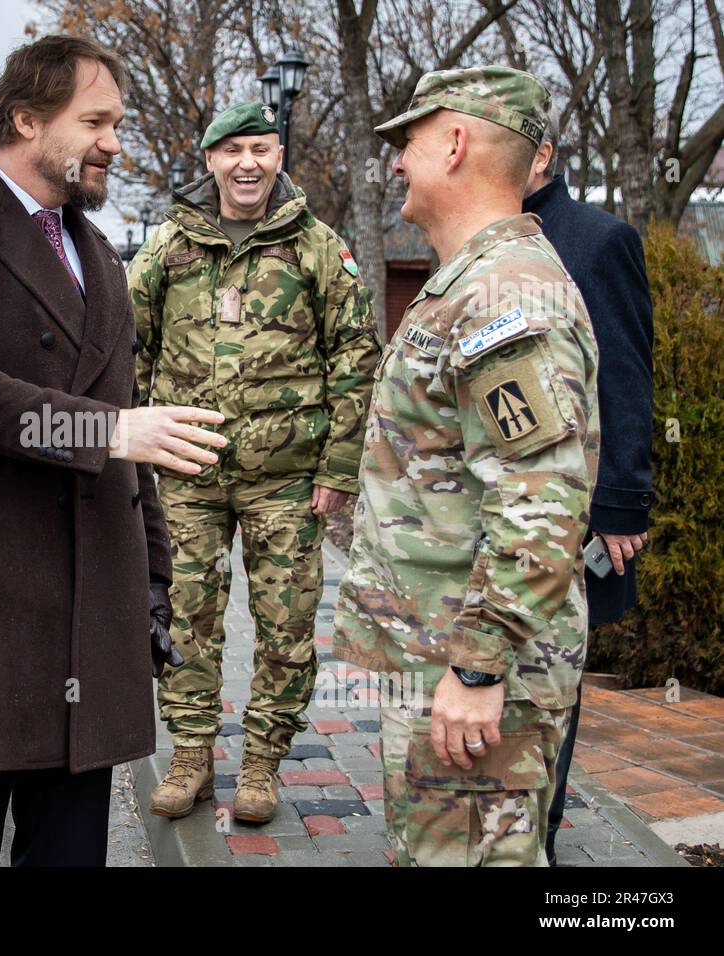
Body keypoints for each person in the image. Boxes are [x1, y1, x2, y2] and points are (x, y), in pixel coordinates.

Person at [0, 34, 224, 867]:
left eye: (118, 122)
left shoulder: (99, 253)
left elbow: (133, 431)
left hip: (91, 624)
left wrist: (154, 582)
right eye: (95, 121)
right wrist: (101, 432)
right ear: (25, 119)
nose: (114, 143)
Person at [333, 66, 600, 866]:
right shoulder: (472, 285)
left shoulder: (502, 299)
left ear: (454, 144)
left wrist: (478, 670)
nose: (396, 164)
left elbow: (541, 506)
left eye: (407, 143)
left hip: (477, 669)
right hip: (445, 653)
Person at [128, 103, 379, 823]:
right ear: (209, 160)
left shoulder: (316, 247)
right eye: (233, 150)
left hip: (287, 482)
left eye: (261, 149)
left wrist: (336, 471)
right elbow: (125, 344)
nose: (247, 163)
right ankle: (191, 757)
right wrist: (132, 444)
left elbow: (356, 356)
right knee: (184, 620)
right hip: (186, 476)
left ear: (278, 157)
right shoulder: (170, 247)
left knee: (287, 623)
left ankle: (264, 763)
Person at [521, 120, 654, 865]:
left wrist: (623, 504)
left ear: (541, 155)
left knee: (552, 675)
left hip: (575, 506)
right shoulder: (486, 239)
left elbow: (629, 374)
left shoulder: (599, 241)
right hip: (501, 509)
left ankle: (541, 828)